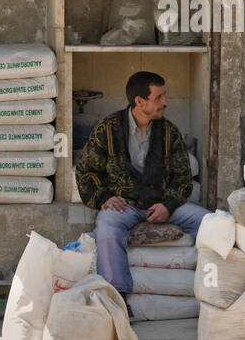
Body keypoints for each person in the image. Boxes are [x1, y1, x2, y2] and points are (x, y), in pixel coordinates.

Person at [76, 70, 204, 294]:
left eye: (164, 96)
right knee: (106, 228)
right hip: (125, 205)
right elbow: (86, 171)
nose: (165, 102)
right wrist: (105, 197)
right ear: (139, 101)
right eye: (159, 97)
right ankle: (117, 294)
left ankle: (212, 286)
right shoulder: (108, 129)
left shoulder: (169, 132)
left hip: (163, 203)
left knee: (208, 221)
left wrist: (169, 205)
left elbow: (182, 177)